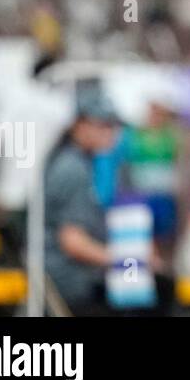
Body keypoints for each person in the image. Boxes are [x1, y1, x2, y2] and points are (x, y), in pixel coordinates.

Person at [42, 91, 122, 315]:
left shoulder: (77, 162)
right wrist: (128, 260)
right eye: (103, 125)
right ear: (80, 125)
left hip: (70, 279)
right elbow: (73, 242)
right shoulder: (73, 169)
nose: (112, 133)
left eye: (113, 126)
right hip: (69, 283)